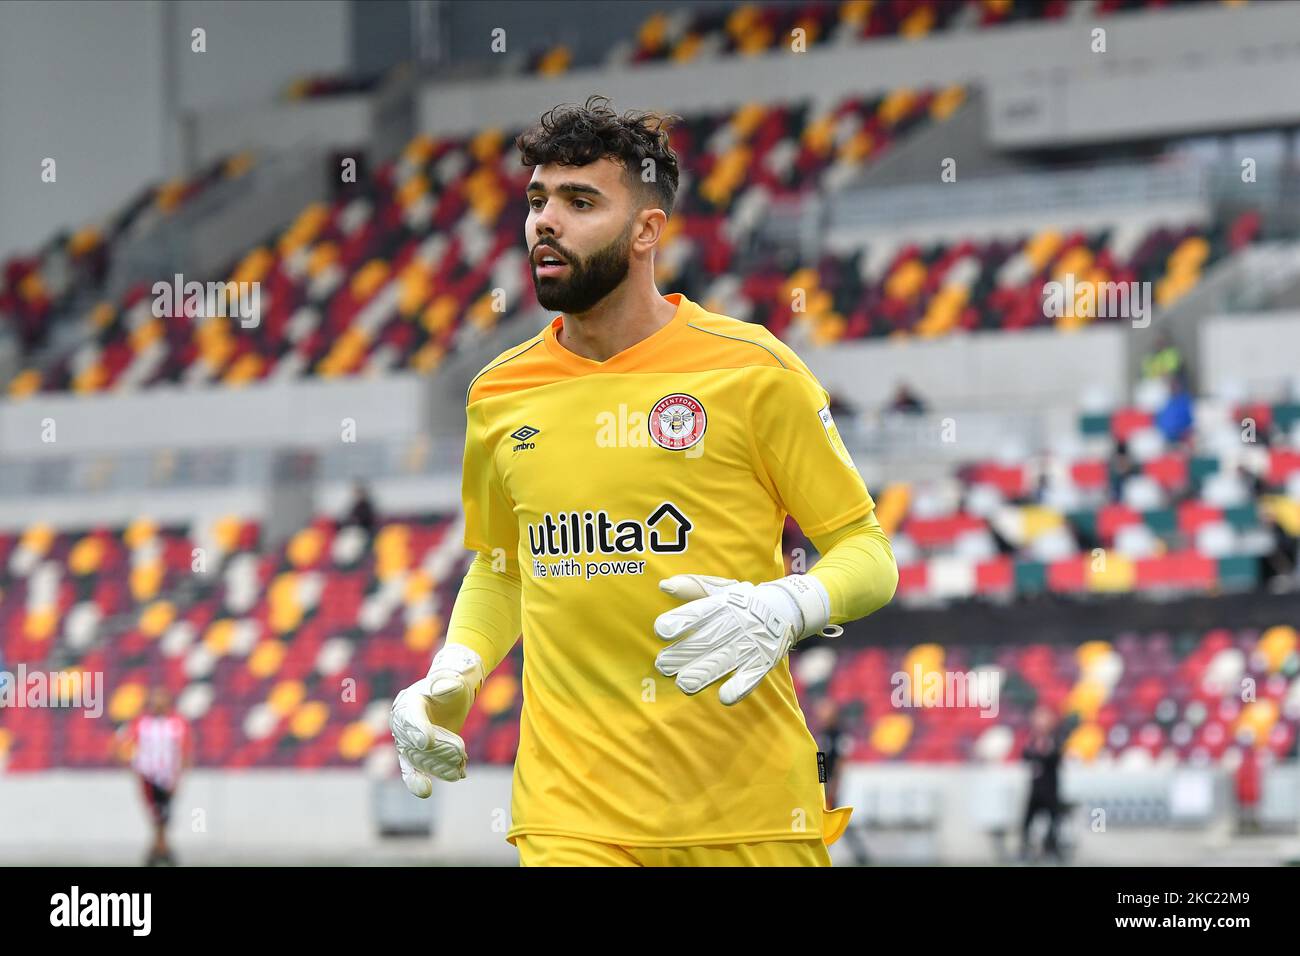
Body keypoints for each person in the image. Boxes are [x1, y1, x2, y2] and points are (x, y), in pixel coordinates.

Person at [390, 95, 899, 868]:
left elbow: (865, 551)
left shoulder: (751, 370)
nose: (544, 222)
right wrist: (453, 673)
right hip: (572, 818)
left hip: (748, 812)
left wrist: (789, 604)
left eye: (579, 201)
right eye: (536, 201)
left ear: (646, 231)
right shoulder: (498, 393)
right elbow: (502, 571)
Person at [119, 687, 192, 866]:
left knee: (164, 814)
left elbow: (184, 750)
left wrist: (179, 776)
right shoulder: (141, 722)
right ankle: (162, 850)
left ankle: (158, 851)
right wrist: (133, 766)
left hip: (167, 775)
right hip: (148, 774)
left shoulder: (177, 722)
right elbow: (126, 745)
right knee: (157, 814)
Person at [1020, 704, 1064, 862]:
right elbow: (1025, 757)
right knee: (1027, 822)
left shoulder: (1054, 740)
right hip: (1035, 788)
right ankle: (1026, 850)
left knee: (1053, 822)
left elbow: (1055, 758)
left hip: (1050, 789)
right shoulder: (1032, 740)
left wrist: (1042, 752)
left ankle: (1052, 849)